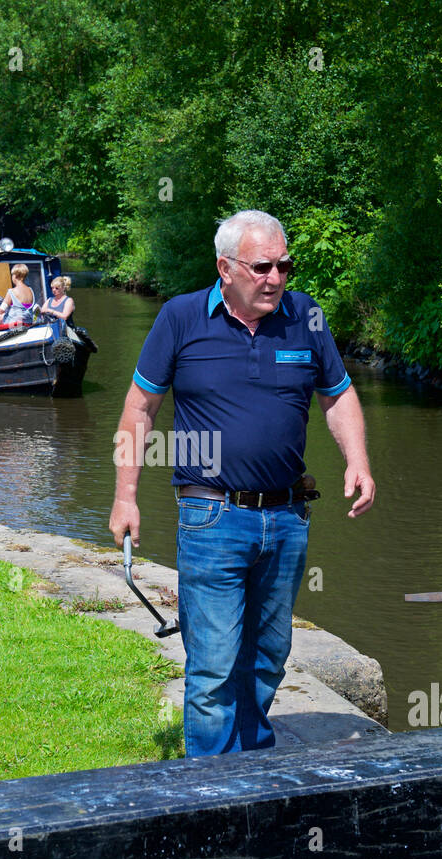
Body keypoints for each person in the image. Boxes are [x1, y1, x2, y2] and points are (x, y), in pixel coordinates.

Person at [108, 209, 375, 757]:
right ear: (225, 268)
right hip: (211, 517)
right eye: (262, 267)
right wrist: (125, 496)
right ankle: (210, 795)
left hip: (287, 517)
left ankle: (251, 768)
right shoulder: (180, 318)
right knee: (213, 667)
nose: (276, 278)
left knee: (269, 655)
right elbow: (140, 408)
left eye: (284, 265)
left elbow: (340, 395)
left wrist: (358, 459)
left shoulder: (306, 317)